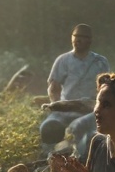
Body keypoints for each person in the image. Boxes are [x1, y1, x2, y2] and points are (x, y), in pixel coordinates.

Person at [38, 24, 110, 156]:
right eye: (75, 36)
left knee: (78, 128)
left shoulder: (99, 62)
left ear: (89, 40)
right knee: (48, 127)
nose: (78, 40)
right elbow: (54, 86)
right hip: (65, 108)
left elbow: (106, 88)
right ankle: (50, 159)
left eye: (82, 37)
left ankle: (80, 160)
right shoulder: (63, 60)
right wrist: (56, 105)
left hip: (90, 109)